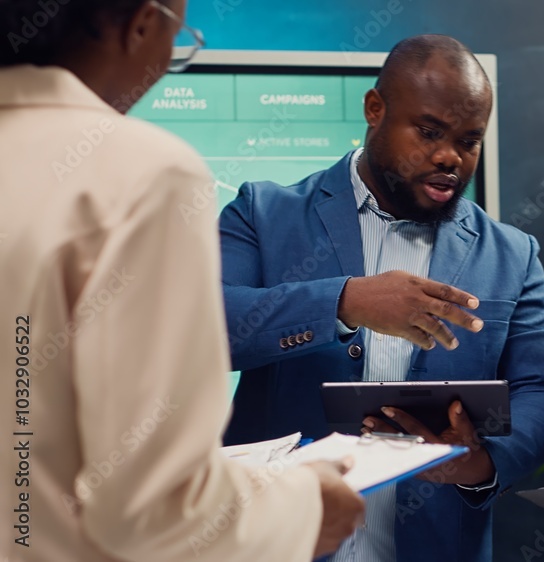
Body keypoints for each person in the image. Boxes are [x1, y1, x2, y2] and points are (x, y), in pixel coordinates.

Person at [0, 1, 364, 561]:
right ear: (142, 24)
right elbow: (155, 508)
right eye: (181, 36)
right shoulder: (142, 174)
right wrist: (304, 506)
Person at [218, 34, 544, 562]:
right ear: (375, 109)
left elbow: (542, 390)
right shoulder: (260, 213)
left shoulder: (512, 254)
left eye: (469, 140)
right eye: (429, 131)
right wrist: (344, 302)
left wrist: (483, 463)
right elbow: (206, 330)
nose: (450, 156)